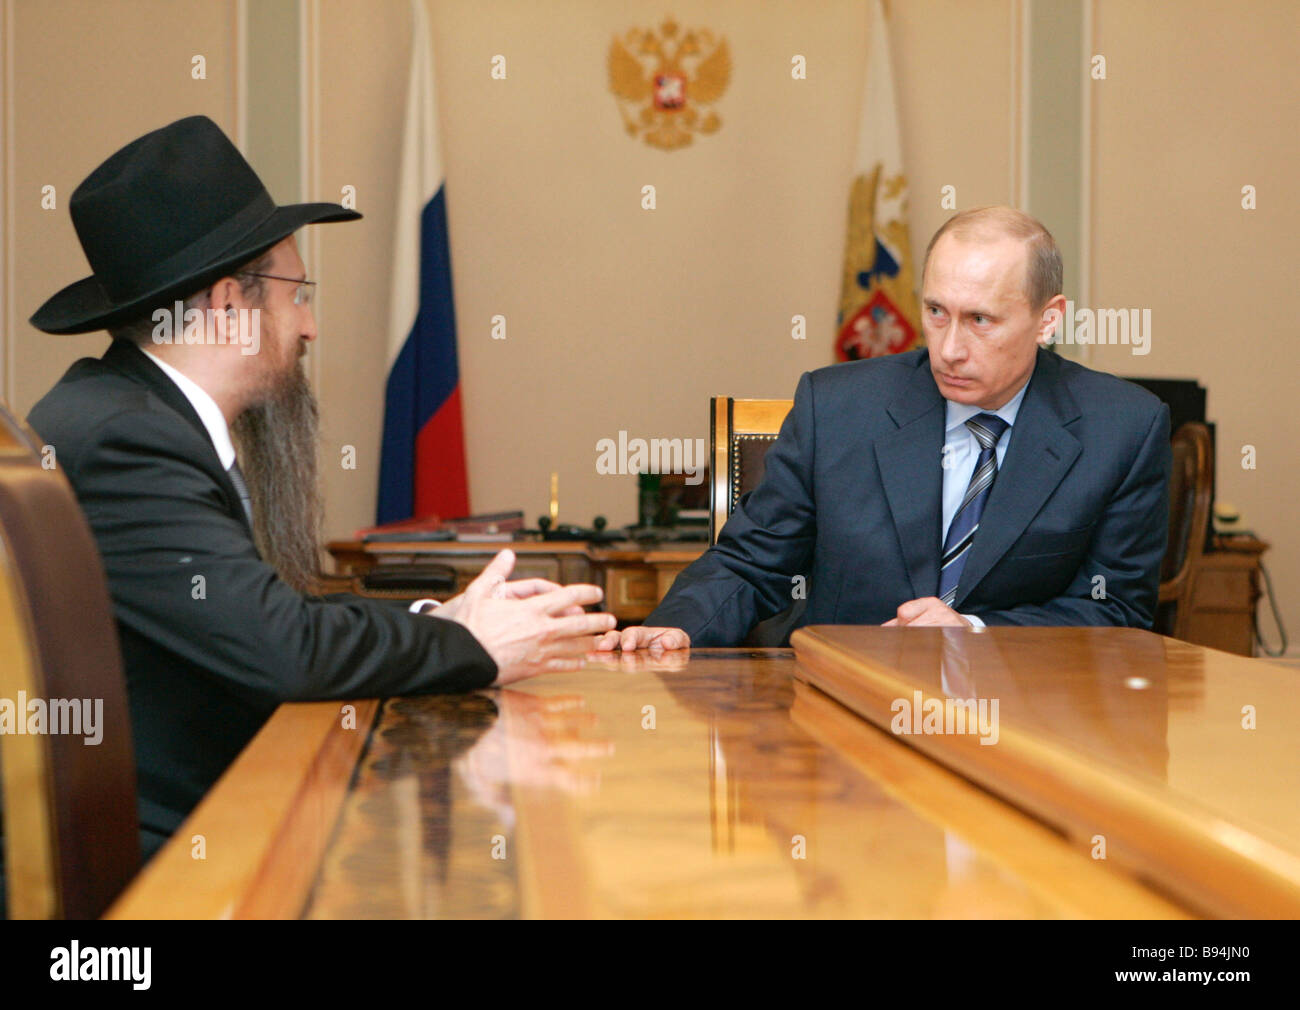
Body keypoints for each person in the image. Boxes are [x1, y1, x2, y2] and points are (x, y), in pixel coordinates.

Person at [26, 115, 615, 860]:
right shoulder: (127, 440)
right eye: (297, 294)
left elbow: (254, 614)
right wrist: (469, 643)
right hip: (176, 855)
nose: (308, 327)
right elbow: (281, 648)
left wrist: (444, 612)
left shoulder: (129, 409)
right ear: (229, 307)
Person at [600, 206, 1171, 651]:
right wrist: (677, 630)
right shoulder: (837, 407)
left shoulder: (1122, 428)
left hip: (1020, 721)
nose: (949, 349)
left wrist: (972, 630)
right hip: (834, 724)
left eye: (980, 320)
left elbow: (1115, 611)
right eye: (936, 312)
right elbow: (751, 563)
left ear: (1049, 319)